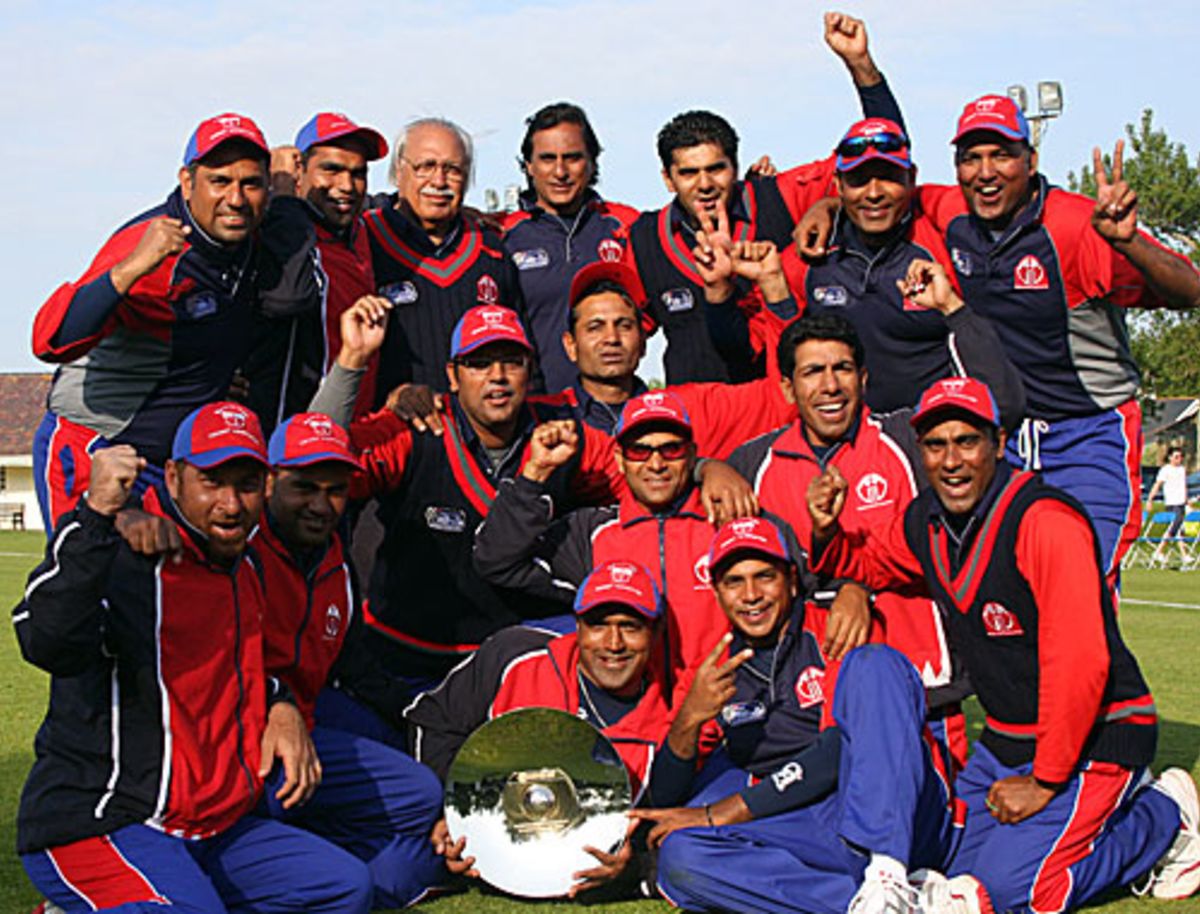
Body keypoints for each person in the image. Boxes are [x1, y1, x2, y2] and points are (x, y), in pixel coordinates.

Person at [808, 376, 1200, 912]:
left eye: (967, 441)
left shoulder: (1045, 521)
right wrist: (829, 533)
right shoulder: (927, 519)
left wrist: (1044, 781)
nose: (951, 460)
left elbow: (1081, 660)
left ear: (997, 443)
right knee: (951, 872)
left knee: (1019, 892)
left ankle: (1162, 815)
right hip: (1008, 737)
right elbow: (872, 562)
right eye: (936, 444)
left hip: (1097, 737)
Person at [13, 402, 372, 913]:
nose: (230, 503)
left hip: (212, 826)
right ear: (176, 478)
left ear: (265, 487)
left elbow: (237, 664)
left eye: (245, 483)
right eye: (212, 481)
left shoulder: (246, 567)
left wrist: (281, 702)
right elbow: (45, 641)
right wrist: (95, 516)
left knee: (342, 888)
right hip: (105, 819)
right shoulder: (133, 554)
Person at [308, 301, 627, 735]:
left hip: (513, 661)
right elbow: (313, 459)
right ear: (453, 376)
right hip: (409, 660)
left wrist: (705, 470)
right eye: (478, 364)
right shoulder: (416, 428)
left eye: (510, 362)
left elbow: (642, 476)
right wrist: (351, 360)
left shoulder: (562, 431)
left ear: (529, 369)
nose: (497, 376)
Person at [728, 281, 1023, 747]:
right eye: (812, 372)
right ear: (787, 386)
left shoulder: (908, 439)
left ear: (863, 379)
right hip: (804, 694)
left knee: (933, 815)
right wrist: (708, 469)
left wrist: (954, 309)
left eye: (842, 368)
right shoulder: (750, 465)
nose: (830, 385)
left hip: (921, 680)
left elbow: (998, 409)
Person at [916, 95, 1200, 577]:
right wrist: (826, 205)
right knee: (1002, 594)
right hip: (1003, 439)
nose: (985, 172)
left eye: (1001, 154)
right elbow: (892, 190)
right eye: (971, 158)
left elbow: (1190, 290)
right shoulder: (952, 212)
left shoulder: (1074, 226)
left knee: (1081, 586)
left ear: (1032, 160)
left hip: (1087, 431)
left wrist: (1128, 242)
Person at [636, 516, 960, 914]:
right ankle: (880, 906)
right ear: (717, 592)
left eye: (764, 576)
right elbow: (669, 796)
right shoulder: (716, 667)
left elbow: (834, 753)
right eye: (734, 582)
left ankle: (890, 873)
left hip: (894, 814)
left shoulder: (837, 627)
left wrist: (721, 812)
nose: (751, 595)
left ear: (791, 579)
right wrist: (689, 719)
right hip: (809, 823)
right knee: (682, 858)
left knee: (876, 662)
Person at [474, 387, 866, 703]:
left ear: (692, 454)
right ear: (620, 458)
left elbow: (818, 579)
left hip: (736, 719)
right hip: (637, 727)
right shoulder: (592, 533)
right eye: (640, 451)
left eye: (671, 449)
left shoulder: (737, 518)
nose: (656, 463)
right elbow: (496, 560)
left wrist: (854, 591)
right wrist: (533, 475)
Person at [31, 114, 318, 530]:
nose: (236, 198)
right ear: (187, 182)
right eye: (219, 181)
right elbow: (49, 340)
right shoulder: (151, 244)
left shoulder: (249, 241)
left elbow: (291, 296)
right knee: (84, 585)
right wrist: (130, 269)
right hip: (97, 447)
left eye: (251, 183)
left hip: (177, 465)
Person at [627, 12, 905, 384]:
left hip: (780, 410)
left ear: (737, 166)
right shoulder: (643, 238)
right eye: (689, 173)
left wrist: (860, 65)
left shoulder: (779, 197)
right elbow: (618, 333)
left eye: (717, 169)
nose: (705, 184)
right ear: (667, 178)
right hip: (695, 425)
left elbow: (883, 156)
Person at [405, 560, 673, 898]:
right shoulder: (515, 656)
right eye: (598, 625)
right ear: (577, 626)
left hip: (563, 869)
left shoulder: (669, 723)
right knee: (396, 874)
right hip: (471, 840)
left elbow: (660, 837)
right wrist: (452, 811)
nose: (613, 643)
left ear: (657, 631)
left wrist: (627, 872)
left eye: (630, 626)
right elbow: (432, 719)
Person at [779, 117, 969, 413]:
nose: (874, 193)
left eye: (889, 177)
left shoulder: (944, 240)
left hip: (934, 440)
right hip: (850, 442)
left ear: (912, 178)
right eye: (859, 180)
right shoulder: (809, 253)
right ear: (838, 186)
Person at [363, 117, 531, 394]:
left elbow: (521, 351)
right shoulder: (365, 240)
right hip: (389, 427)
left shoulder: (491, 250)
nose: (439, 181)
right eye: (425, 166)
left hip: (477, 432)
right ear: (398, 170)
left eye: (453, 169)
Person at [245, 112, 391, 427]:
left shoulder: (361, 227)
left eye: (358, 173)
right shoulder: (280, 232)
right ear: (299, 169)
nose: (347, 186)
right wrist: (283, 192)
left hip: (356, 434)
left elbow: (402, 206)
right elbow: (288, 297)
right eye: (331, 170)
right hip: (294, 438)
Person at [503, 102, 640, 391]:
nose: (560, 171)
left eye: (573, 158)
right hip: (534, 411)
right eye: (547, 159)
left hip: (614, 408)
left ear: (592, 162)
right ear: (529, 165)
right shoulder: (503, 234)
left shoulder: (625, 225)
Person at [1146, 446, 1191, 566]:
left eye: (1181, 457)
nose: (1179, 459)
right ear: (1170, 457)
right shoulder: (1165, 470)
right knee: (1174, 527)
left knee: (1179, 530)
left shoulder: (1182, 470)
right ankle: (1159, 550)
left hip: (1181, 502)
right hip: (1172, 503)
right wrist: (1150, 499)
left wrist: (1187, 501)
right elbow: (1157, 485)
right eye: (1176, 457)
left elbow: (1184, 486)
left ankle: (1184, 555)